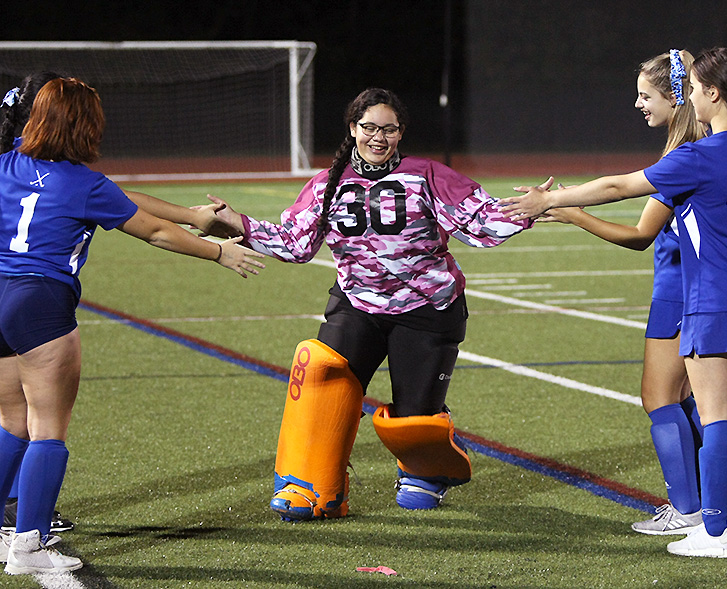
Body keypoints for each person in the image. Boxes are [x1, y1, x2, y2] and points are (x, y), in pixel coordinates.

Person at [501, 47, 727, 557]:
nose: (690, 99)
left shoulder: (697, 156)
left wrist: (551, 199)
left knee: (717, 415)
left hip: (712, 299)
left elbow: (619, 186)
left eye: (694, 90)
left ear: (713, 93)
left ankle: (714, 531)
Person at [205, 87, 535, 521]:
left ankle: (432, 463)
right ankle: (311, 484)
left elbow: (480, 225)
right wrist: (239, 223)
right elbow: (296, 243)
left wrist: (539, 205)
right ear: (353, 128)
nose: (379, 137)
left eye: (389, 129)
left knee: (416, 453)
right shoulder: (326, 183)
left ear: (401, 132)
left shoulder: (427, 175)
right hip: (357, 305)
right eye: (369, 127)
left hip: (426, 309)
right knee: (322, 378)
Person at [0, 77, 267, 575]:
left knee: (11, 422)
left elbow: (124, 198)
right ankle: (29, 544)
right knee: (47, 429)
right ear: (85, 126)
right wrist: (217, 252)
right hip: (39, 302)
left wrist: (190, 216)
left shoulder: (8, 162)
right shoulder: (82, 183)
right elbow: (155, 231)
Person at [540, 50, 727, 535]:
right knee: (696, 400)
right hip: (713, 290)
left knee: (658, 398)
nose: (638, 104)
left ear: (677, 98)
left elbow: (639, 234)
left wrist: (573, 214)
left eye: (645, 95)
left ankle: (689, 508)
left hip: (679, 292)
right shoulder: (714, 146)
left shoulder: (684, 157)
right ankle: (718, 501)